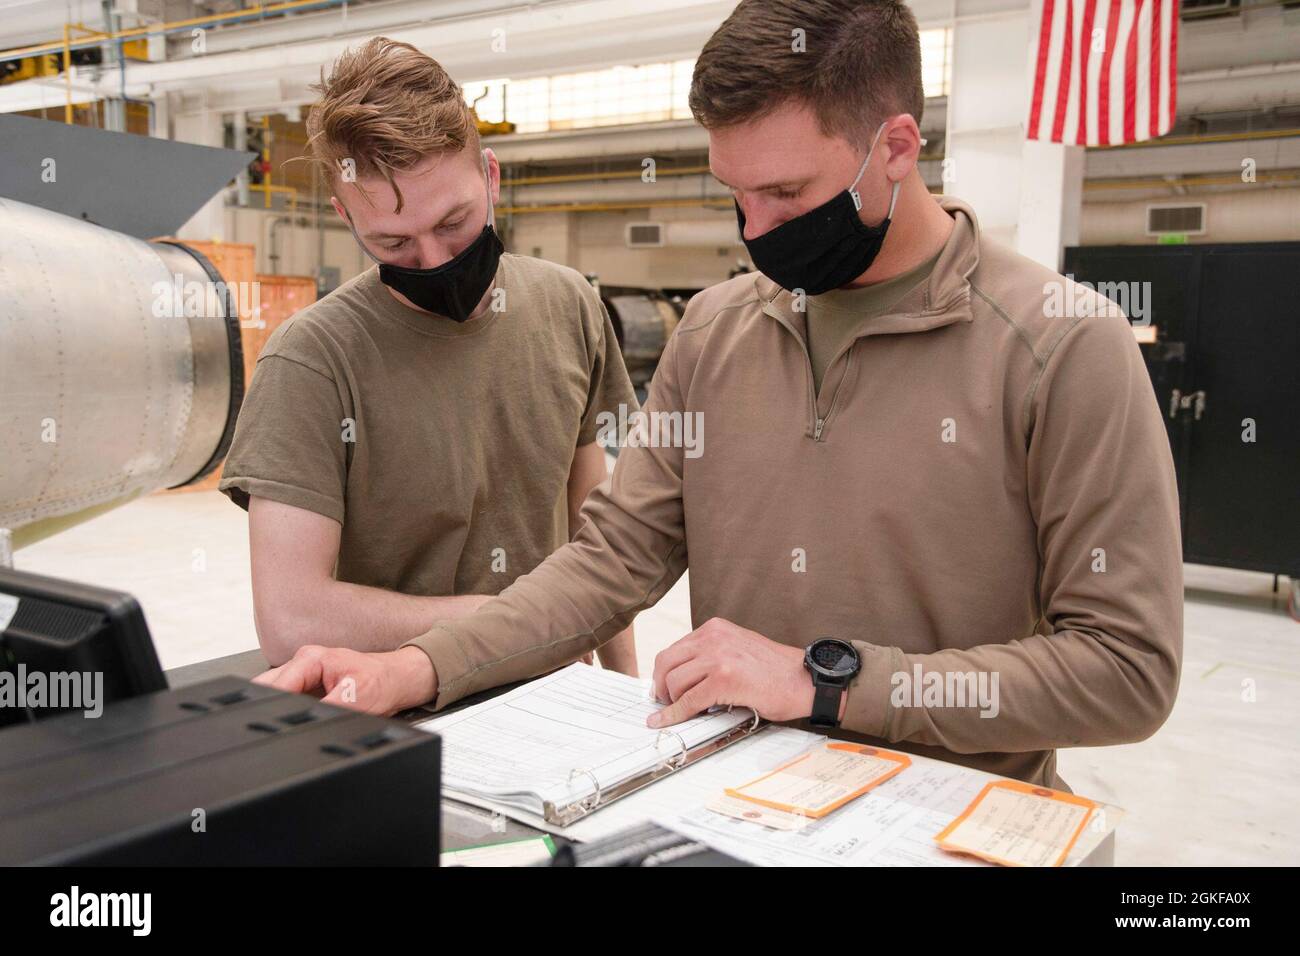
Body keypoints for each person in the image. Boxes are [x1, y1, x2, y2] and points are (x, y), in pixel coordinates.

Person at [257, 1, 1182, 790]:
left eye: (786, 193)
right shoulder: (715, 330)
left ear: (896, 146)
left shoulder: (1065, 346)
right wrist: (416, 668)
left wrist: (828, 683)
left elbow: (1128, 671)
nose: (756, 233)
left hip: (946, 826)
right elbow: (608, 565)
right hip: (730, 804)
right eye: (734, 195)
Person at [220, 38, 639, 675]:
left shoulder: (568, 304)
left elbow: (595, 534)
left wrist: (621, 691)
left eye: (454, 223)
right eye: (393, 241)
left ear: (491, 178)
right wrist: (508, 622)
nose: (436, 262)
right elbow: (290, 620)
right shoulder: (312, 361)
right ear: (344, 216)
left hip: (560, 702)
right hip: (401, 715)